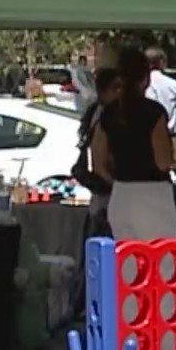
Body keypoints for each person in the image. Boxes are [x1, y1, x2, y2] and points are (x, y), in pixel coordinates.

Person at [91, 46, 176, 241]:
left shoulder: (109, 113)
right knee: (162, 255)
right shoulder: (154, 112)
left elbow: (97, 163)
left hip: (121, 193)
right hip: (153, 193)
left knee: (127, 256)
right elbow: (163, 161)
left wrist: (117, 181)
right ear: (146, 78)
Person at [73, 68, 121, 238]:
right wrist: (118, 187)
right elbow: (99, 162)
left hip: (103, 192)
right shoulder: (103, 115)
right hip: (105, 193)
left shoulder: (97, 111)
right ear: (105, 90)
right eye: (116, 88)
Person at [143, 47, 176, 146]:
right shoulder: (173, 85)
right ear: (162, 62)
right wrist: (175, 127)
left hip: (145, 138)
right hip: (169, 136)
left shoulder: (141, 84)